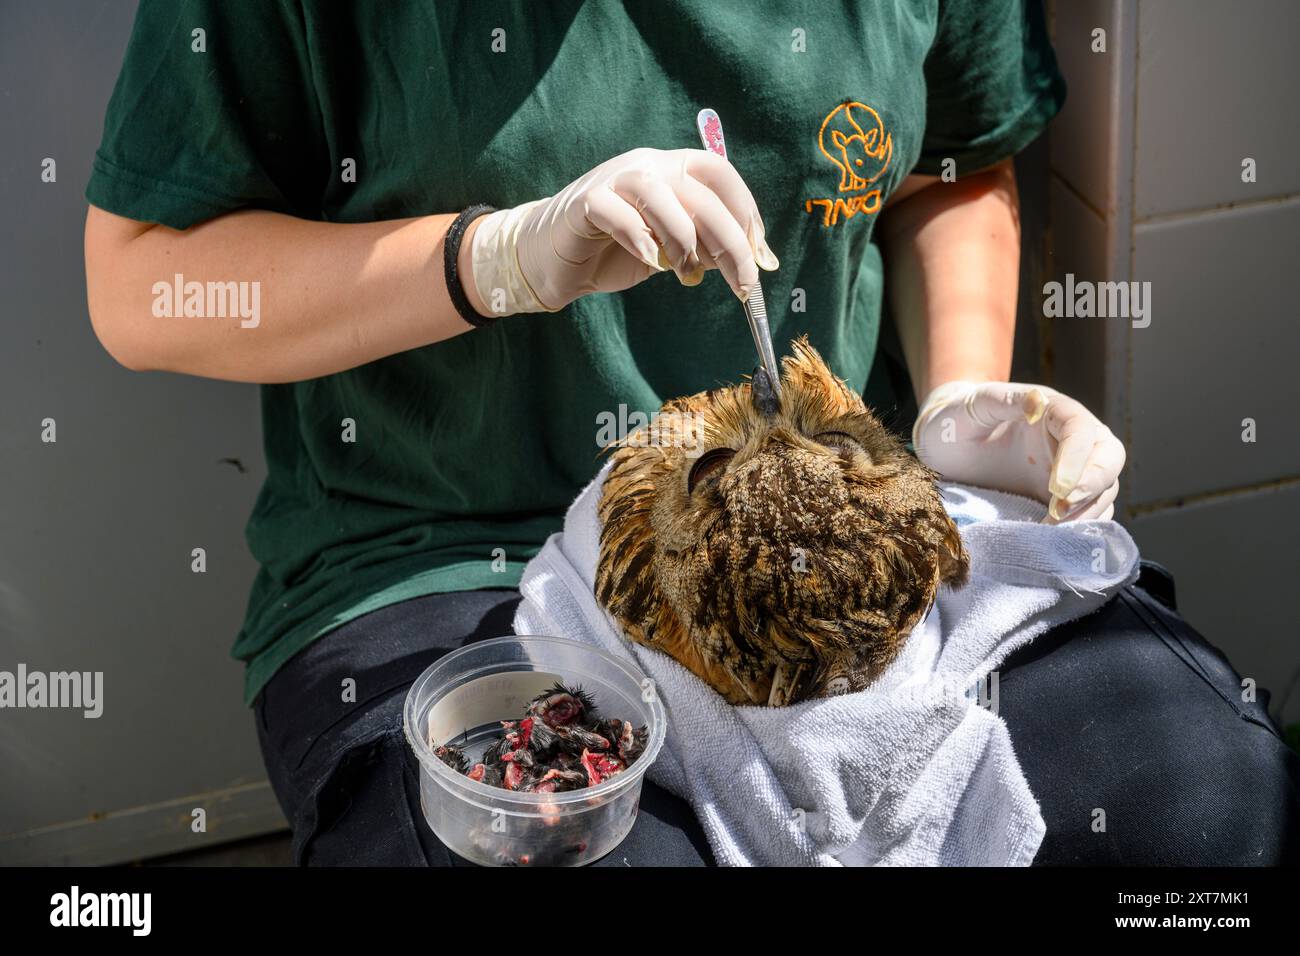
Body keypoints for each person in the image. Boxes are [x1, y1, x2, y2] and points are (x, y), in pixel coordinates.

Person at [84, 0, 1298, 865]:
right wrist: (490, 257)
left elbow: (948, 170)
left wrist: (957, 404)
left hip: (846, 515)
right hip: (452, 546)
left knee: (1200, 800)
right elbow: (141, 284)